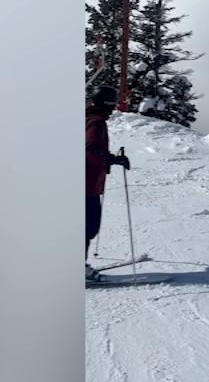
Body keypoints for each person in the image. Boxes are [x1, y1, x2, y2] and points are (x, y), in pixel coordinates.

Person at [86, 85, 130, 281]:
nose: (113, 110)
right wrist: (112, 159)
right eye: (112, 106)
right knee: (88, 226)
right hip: (86, 184)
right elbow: (91, 150)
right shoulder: (96, 123)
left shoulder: (87, 117)